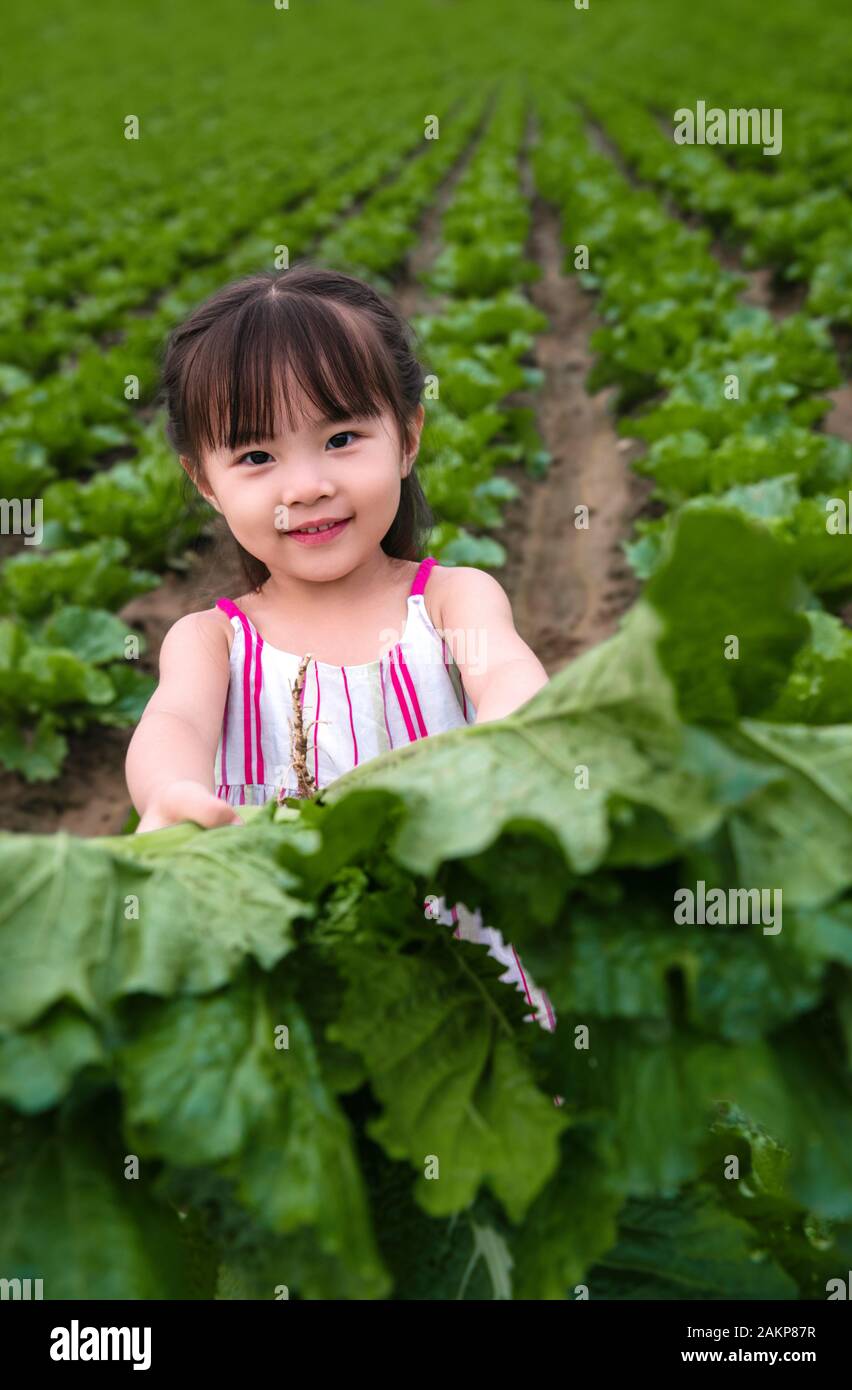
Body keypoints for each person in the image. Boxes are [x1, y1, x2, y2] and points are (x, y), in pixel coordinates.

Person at [125, 263, 558, 1039]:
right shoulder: (213, 642)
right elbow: (175, 726)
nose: (307, 485)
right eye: (257, 458)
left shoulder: (453, 599)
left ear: (408, 438)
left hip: (459, 967)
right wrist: (169, 796)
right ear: (204, 482)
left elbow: (507, 673)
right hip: (287, 972)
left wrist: (514, 743)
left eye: (342, 438)